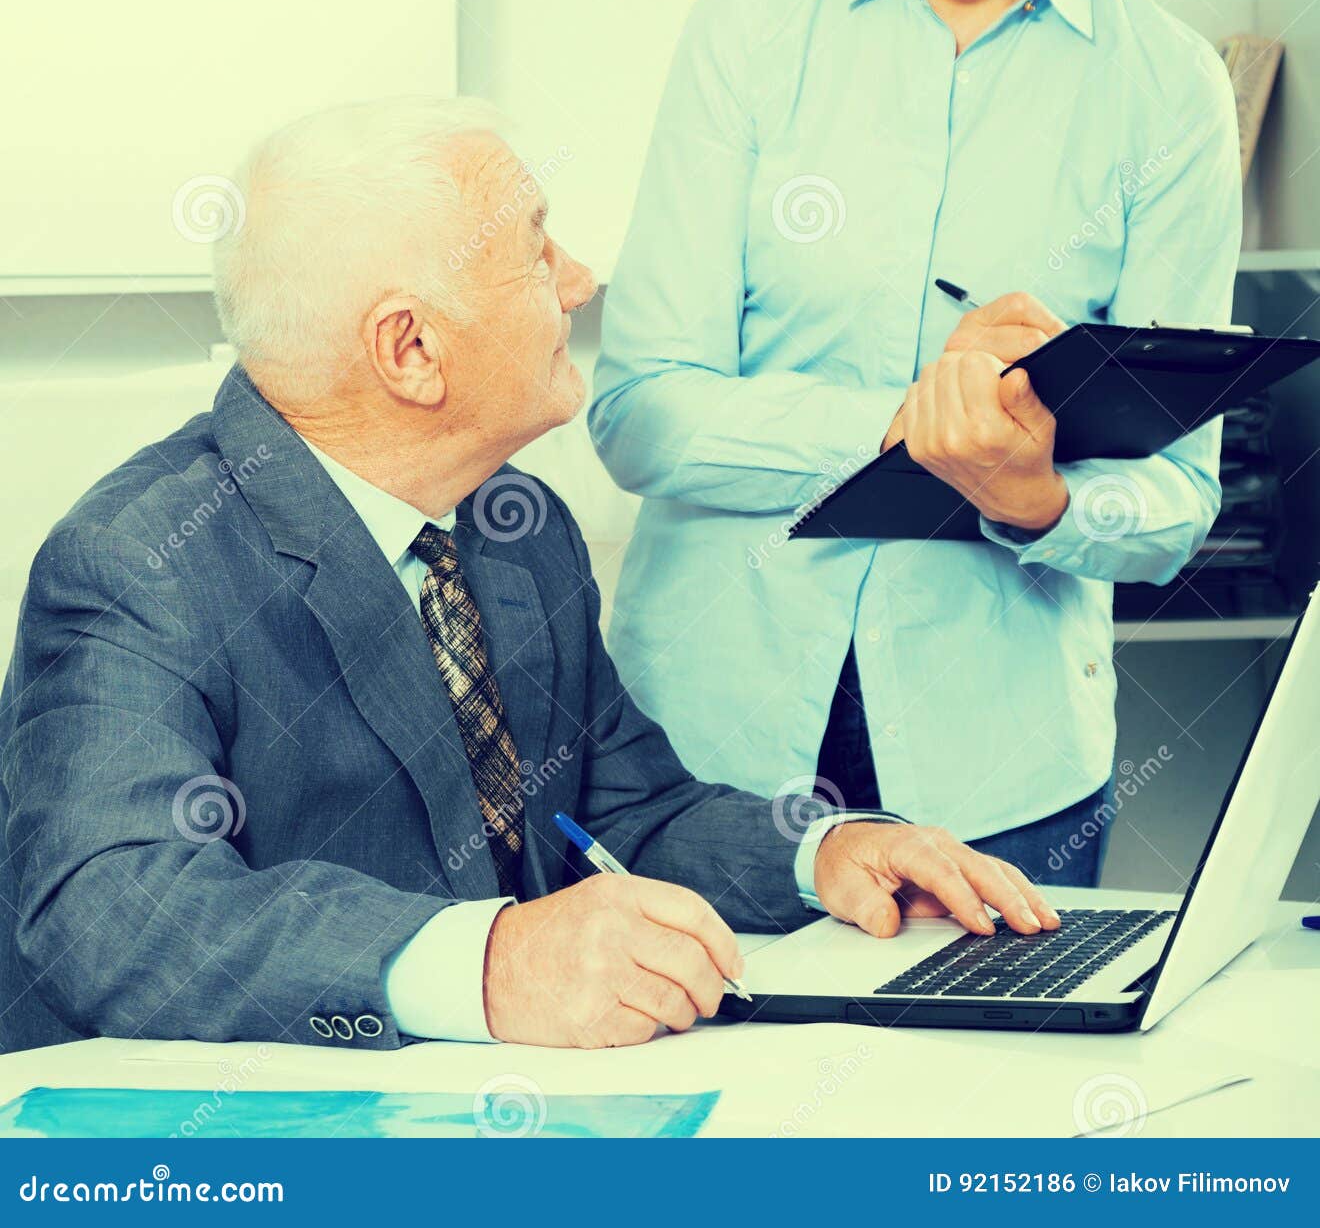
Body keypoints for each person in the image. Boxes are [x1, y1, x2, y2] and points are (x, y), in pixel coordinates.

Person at [0, 100, 1058, 1056]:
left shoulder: (518, 523)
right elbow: (109, 908)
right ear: (411, 349)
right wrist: (496, 963)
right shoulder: (137, 560)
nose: (582, 280)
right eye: (534, 252)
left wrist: (822, 853)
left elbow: (624, 810)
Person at [588, 0, 1242, 884]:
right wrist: (905, 426)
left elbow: (1176, 499)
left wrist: (1033, 495)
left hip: (1006, 779)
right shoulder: (748, 30)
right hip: (709, 758)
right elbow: (641, 414)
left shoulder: (1170, 94)